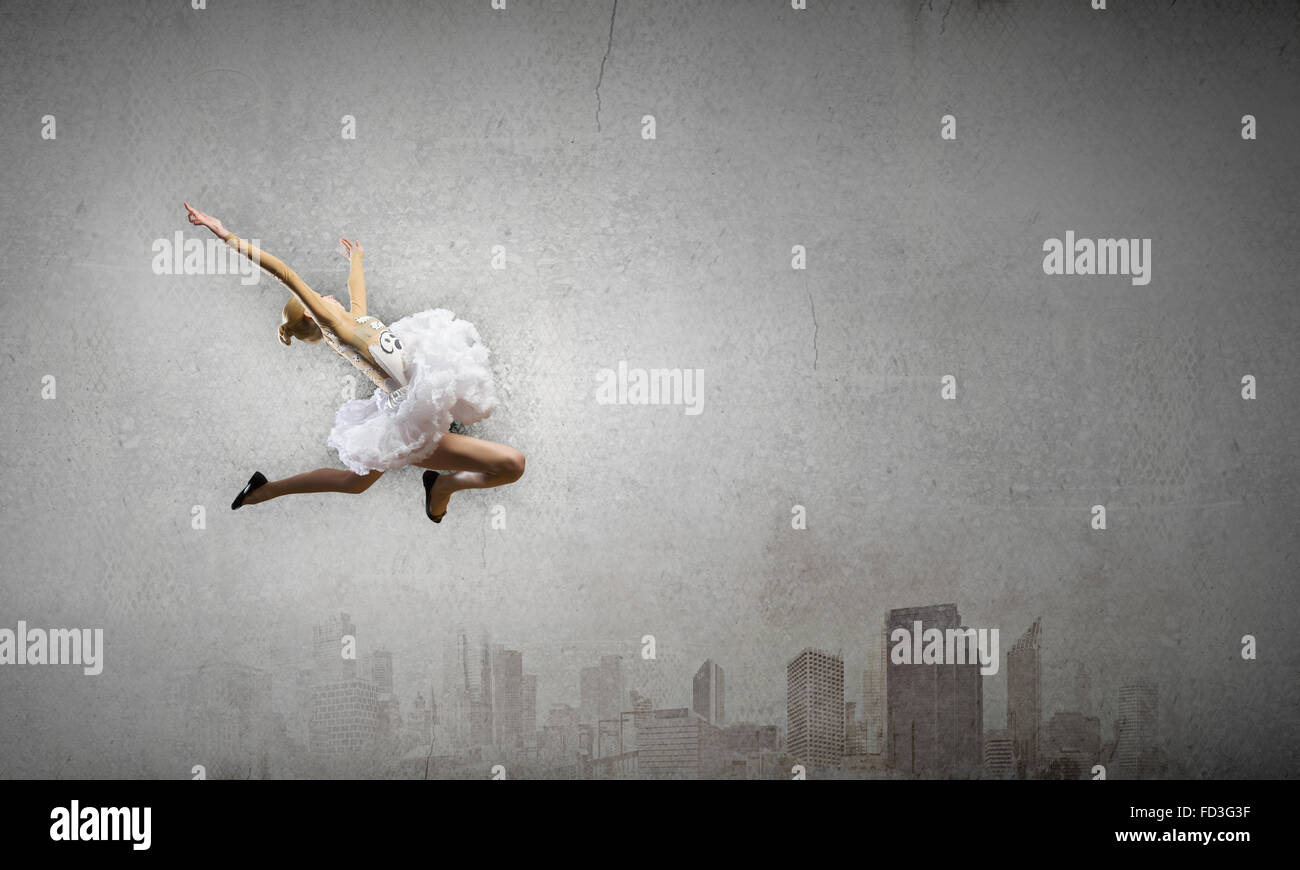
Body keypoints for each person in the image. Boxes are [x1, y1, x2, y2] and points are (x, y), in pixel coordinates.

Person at [183, 203, 524, 523]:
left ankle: (264, 490)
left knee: (353, 482)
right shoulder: (337, 328)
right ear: (308, 310)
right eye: (316, 297)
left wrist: (356, 259)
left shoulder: (354, 320)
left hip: (407, 401)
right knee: (512, 464)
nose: (325, 295)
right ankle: (444, 487)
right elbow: (283, 272)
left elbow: (356, 292)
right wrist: (222, 232)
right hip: (411, 419)